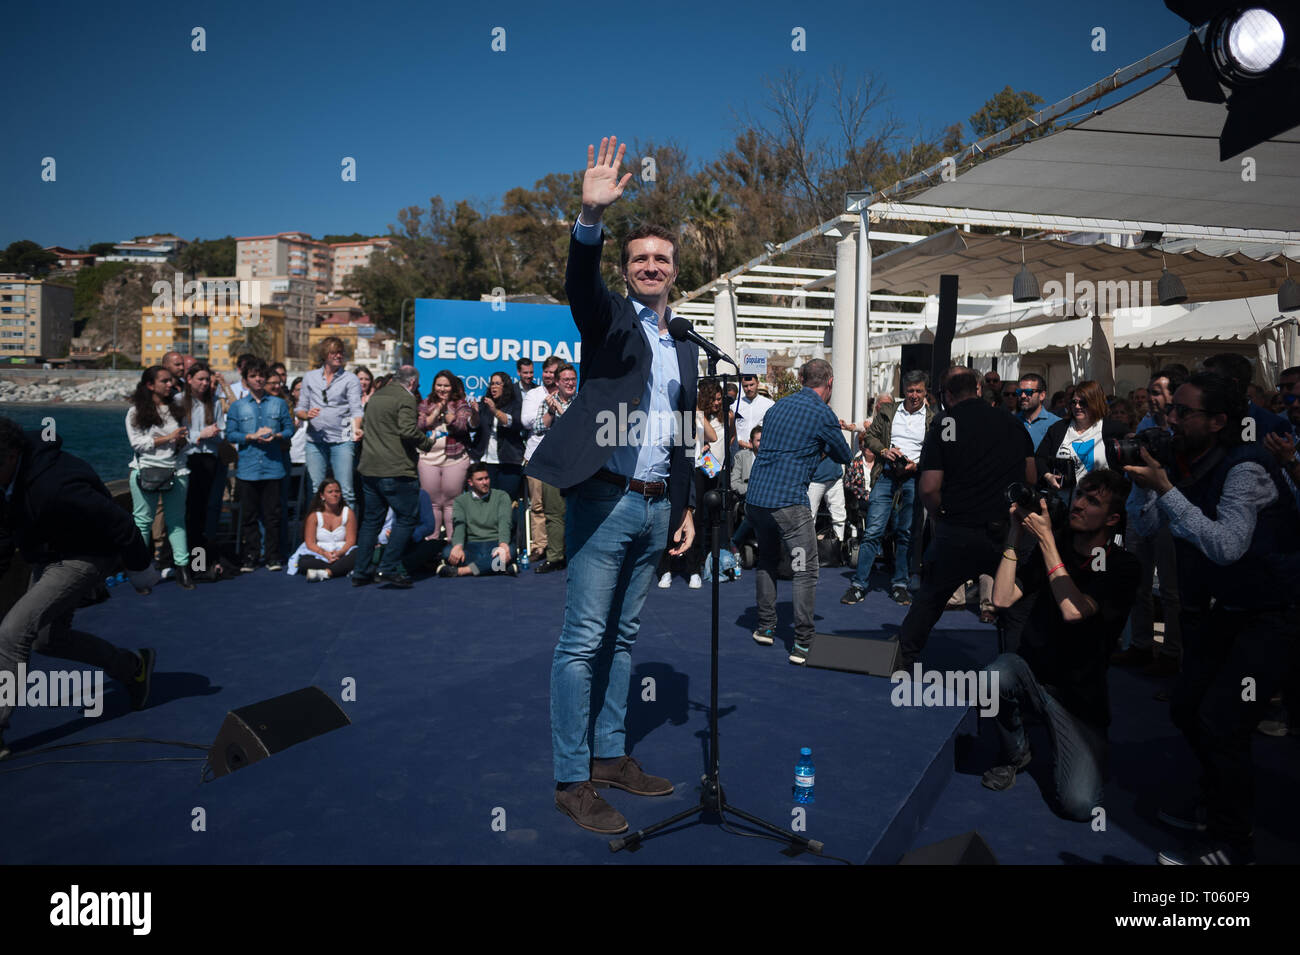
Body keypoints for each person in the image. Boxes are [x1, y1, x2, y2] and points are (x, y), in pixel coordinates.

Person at [526, 136, 699, 835]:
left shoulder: (686, 341)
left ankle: (609, 755)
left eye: (661, 258)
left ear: (674, 271)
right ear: (627, 271)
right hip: (604, 498)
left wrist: (683, 507)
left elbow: (682, 428)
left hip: (659, 506)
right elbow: (580, 284)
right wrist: (590, 219)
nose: (651, 265)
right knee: (582, 642)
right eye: (639, 259)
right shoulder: (609, 318)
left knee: (622, 639)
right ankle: (572, 780)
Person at [1125, 371, 1300, 865]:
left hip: (1271, 611)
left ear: (1218, 420)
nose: (1170, 418)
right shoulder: (1182, 457)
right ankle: (1217, 798)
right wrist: (1146, 484)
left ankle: (1232, 840)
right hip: (1224, 608)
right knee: (1186, 706)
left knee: (1225, 719)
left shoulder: (1247, 467)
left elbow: (1226, 546)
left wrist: (1168, 487)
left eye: (1183, 412)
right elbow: (1146, 524)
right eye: (1169, 409)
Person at [981, 469, 1140, 819]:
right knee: (990, 678)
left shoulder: (1123, 566)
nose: (1078, 504)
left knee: (1079, 806)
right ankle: (1016, 752)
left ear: (1113, 518)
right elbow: (1003, 597)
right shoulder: (1058, 544)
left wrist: (1048, 541)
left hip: (1079, 700)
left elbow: (1073, 609)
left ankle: (1086, 749)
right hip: (1033, 675)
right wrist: (1015, 533)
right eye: (1079, 495)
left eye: (1092, 501)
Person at [0, 418, 158, 759]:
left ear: (12, 456)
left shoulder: (56, 484)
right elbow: (3, 534)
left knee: (13, 632)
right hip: (49, 552)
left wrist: (139, 568)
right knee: (46, 639)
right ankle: (133, 668)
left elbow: (119, 520)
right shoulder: (7, 477)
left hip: (87, 554)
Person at [895, 366, 1036, 668]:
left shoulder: (944, 424)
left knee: (930, 599)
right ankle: (1016, 668)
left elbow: (929, 487)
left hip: (957, 530)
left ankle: (903, 660)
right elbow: (1031, 476)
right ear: (978, 390)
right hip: (1006, 532)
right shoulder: (1012, 423)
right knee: (1015, 606)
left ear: (946, 395)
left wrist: (939, 515)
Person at [745, 358, 853, 664]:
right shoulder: (823, 413)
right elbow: (844, 454)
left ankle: (765, 626)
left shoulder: (777, 407)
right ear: (829, 383)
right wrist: (821, 446)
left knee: (767, 560)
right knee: (805, 570)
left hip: (757, 499)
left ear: (802, 378)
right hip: (788, 502)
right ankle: (803, 642)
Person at [1115, 365, 1189, 677]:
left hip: (1170, 516)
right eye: (1151, 391)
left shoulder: (1185, 428)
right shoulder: (1145, 423)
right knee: (1137, 584)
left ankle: (1173, 653)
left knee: (1172, 591)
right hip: (1139, 510)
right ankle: (1142, 645)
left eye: (1159, 391)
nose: (1152, 398)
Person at [840, 370, 933, 606]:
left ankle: (900, 584)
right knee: (873, 530)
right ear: (904, 391)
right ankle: (859, 584)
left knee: (906, 534)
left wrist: (916, 465)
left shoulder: (932, 418)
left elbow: (935, 451)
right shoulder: (889, 411)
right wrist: (885, 451)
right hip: (887, 475)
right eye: (910, 390)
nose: (914, 395)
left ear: (925, 392)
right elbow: (869, 437)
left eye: (918, 391)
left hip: (913, 477)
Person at [350, 365, 433, 589]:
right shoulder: (405, 399)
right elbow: (407, 430)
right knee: (406, 518)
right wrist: (427, 443)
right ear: (413, 383)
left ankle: (360, 571)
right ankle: (388, 568)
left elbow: (367, 428)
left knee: (371, 521)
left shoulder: (376, 397)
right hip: (396, 470)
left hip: (369, 469)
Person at [125, 366, 196, 590]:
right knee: (143, 523)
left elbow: (187, 441)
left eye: (171, 381)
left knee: (177, 521)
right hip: (145, 470)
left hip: (176, 470)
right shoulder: (135, 412)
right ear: (150, 385)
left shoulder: (177, 410)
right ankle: (140, 571)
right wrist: (168, 437)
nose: (170, 385)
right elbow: (137, 443)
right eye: (164, 381)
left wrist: (183, 441)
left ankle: (183, 569)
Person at [226, 360, 294, 572]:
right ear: (245, 381)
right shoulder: (238, 406)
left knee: (273, 515)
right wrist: (250, 436)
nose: (258, 379)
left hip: (273, 467)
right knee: (249, 515)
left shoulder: (279, 404)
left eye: (261, 376)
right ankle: (251, 555)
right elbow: (230, 434)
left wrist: (277, 435)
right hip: (248, 469)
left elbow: (290, 429)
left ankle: (273, 556)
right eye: (253, 376)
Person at [658, 378, 723, 589]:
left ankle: (693, 570)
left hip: (695, 472)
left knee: (694, 520)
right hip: (672, 472)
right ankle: (665, 569)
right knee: (670, 520)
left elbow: (712, 436)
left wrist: (696, 412)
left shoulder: (696, 416)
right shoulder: (671, 417)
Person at [296, 337, 364, 509]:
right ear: (325, 355)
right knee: (315, 489)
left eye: (341, 352)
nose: (338, 356)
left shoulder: (351, 379)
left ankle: (348, 533)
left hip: (342, 439)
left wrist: (357, 428)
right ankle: (317, 532)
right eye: (334, 352)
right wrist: (306, 415)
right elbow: (300, 409)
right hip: (315, 441)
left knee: (346, 490)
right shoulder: (310, 377)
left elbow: (356, 409)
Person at [1037, 380, 1127, 503]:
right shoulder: (1058, 429)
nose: (1077, 406)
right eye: (1074, 402)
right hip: (1065, 505)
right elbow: (1039, 458)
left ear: (1094, 402)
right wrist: (1048, 476)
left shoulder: (1114, 430)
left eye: (1083, 402)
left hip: (1102, 506)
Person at [416, 370, 476, 542]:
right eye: (439, 385)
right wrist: (435, 412)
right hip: (428, 458)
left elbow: (462, 427)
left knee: (451, 501)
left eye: (446, 385)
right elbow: (420, 425)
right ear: (434, 386)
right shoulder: (425, 403)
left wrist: (450, 417)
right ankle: (432, 539)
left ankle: (453, 540)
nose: (442, 389)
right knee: (432, 501)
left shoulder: (460, 404)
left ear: (452, 387)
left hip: (454, 457)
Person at [529, 363, 577, 574]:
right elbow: (539, 427)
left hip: (577, 464)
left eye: (573, 379)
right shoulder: (547, 402)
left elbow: (576, 428)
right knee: (554, 513)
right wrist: (551, 409)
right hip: (554, 465)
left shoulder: (582, 401)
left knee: (577, 511)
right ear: (557, 382)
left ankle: (575, 554)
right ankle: (555, 557)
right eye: (565, 380)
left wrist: (561, 410)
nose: (570, 383)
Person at [177, 361, 226, 561]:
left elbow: (220, 433)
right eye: (201, 379)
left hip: (208, 459)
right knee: (185, 511)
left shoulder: (213, 402)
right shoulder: (179, 401)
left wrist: (211, 434)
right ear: (189, 380)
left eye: (208, 379)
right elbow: (177, 434)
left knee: (203, 511)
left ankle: (199, 563)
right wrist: (200, 433)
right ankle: (179, 559)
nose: (205, 383)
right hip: (187, 459)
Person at [438, 463, 517, 577]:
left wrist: (503, 544)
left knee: (509, 551)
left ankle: (462, 571)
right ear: (470, 482)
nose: (485, 482)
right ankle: (498, 568)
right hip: (472, 545)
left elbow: (505, 522)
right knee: (448, 552)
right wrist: (458, 546)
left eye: (487, 478)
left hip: (495, 543)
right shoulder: (461, 501)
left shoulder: (501, 496)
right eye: (480, 479)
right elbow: (459, 525)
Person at [522, 356, 562, 561]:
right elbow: (527, 421)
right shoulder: (534, 394)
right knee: (536, 505)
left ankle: (558, 548)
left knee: (558, 508)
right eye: (546, 371)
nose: (549, 375)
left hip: (559, 459)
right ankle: (539, 546)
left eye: (554, 372)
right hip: (535, 456)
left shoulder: (568, 392)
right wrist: (549, 411)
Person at [286, 478, 358, 581]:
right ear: (322, 496)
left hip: (342, 553)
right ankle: (341, 569)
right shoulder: (314, 516)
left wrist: (340, 553)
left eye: (337, 491)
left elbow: (351, 541)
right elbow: (310, 543)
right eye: (330, 492)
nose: (335, 494)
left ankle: (327, 573)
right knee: (303, 562)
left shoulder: (348, 513)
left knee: (358, 553)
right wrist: (324, 553)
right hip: (320, 553)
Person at [470, 371, 525, 502]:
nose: (493, 387)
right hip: (486, 462)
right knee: (486, 501)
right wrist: (475, 414)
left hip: (509, 461)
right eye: (492, 384)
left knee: (505, 501)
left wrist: (494, 411)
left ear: (505, 386)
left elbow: (514, 423)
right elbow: (473, 426)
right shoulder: (483, 404)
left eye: (497, 384)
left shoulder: (515, 405)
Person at [1014, 374, 1060, 451]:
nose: (1023, 396)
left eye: (1028, 392)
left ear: (1042, 395)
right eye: (1019, 392)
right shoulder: (1012, 421)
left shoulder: (1056, 424)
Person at [734, 373, 773, 451]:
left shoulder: (769, 404)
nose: (749, 388)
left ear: (757, 383)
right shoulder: (735, 405)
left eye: (751, 385)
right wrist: (740, 442)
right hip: (740, 450)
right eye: (745, 386)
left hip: (762, 450)